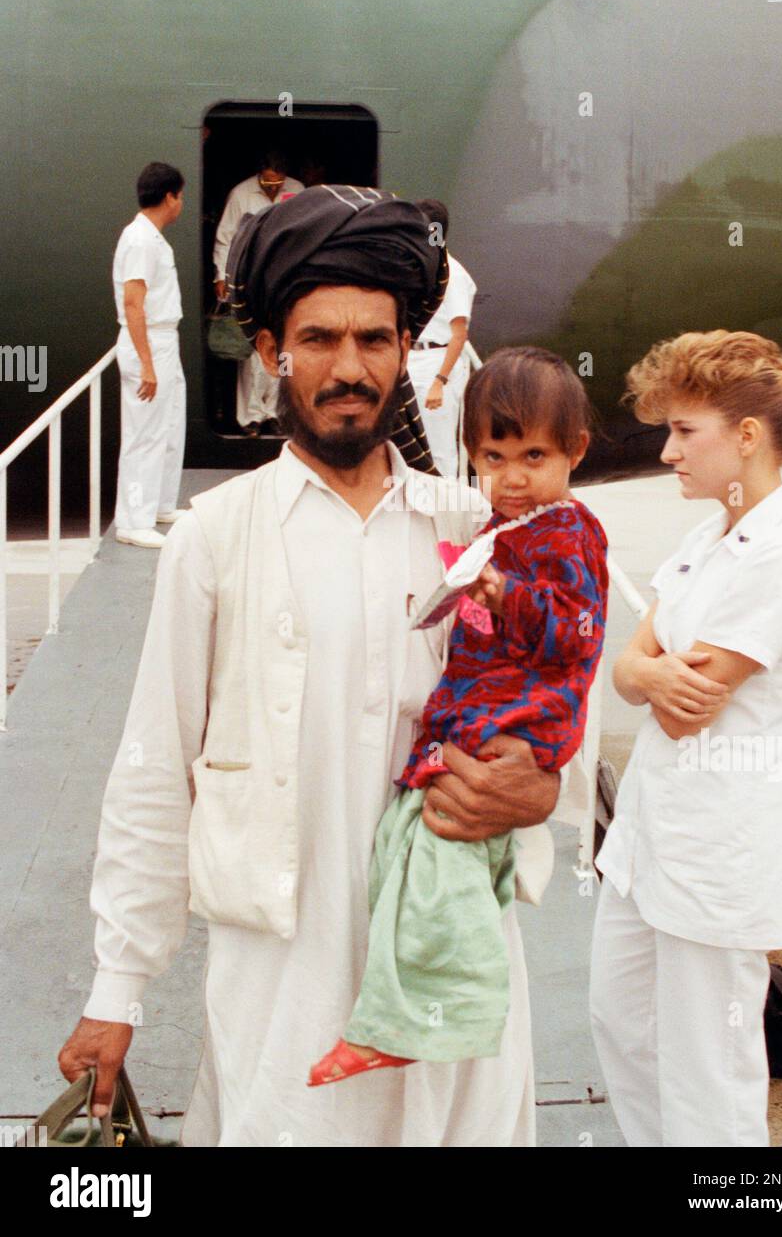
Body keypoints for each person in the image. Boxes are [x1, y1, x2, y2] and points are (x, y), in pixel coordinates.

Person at [58, 185, 560, 1147]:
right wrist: (118, 987)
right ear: (272, 355)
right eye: (319, 339)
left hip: (453, 972)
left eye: (375, 340)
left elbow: (559, 703)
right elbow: (156, 769)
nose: (349, 367)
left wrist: (541, 790)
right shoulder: (220, 536)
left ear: (402, 354)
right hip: (283, 982)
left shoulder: (469, 531)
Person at [309, 347, 608, 1084]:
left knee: (441, 861)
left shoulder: (567, 532)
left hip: (514, 723)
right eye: (492, 456)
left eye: (533, 455)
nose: (510, 477)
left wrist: (500, 591)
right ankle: (402, 1005)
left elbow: (575, 636)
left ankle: (439, 1011)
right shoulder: (508, 528)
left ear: (575, 450)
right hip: (477, 716)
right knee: (404, 851)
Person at [589, 329, 782, 1148]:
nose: (666, 453)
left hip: (717, 846)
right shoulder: (708, 538)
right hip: (650, 835)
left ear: (745, 436)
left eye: (683, 432)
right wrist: (645, 671)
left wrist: (646, 673)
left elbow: (673, 704)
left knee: (707, 1065)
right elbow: (628, 671)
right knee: (622, 1028)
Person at [112, 162, 188, 549]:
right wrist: (146, 362)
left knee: (170, 425)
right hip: (149, 342)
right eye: (181, 195)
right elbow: (133, 303)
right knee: (144, 432)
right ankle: (133, 519)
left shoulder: (151, 238)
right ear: (169, 196)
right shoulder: (141, 239)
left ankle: (159, 504)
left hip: (163, 340)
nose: (182, 203)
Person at [212, 151, 303, 436]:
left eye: (278, 184)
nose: (273, 189)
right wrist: (220, 275)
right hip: (249, 280)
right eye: (267, 183)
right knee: (252, 350)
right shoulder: (240, 194)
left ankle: (275, 413)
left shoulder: (299, 192)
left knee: (283, 348)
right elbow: (225, 237)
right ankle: (249, 416)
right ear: (258, 175)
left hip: (285, 282)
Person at [407, 199, 476, 477]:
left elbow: (459, 336)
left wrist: (440, 381)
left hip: (437, 365)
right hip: (411, 362)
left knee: (440, 452)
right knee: (409, 450)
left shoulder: (454, 274)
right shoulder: (419, 268)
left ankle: (446, 517)